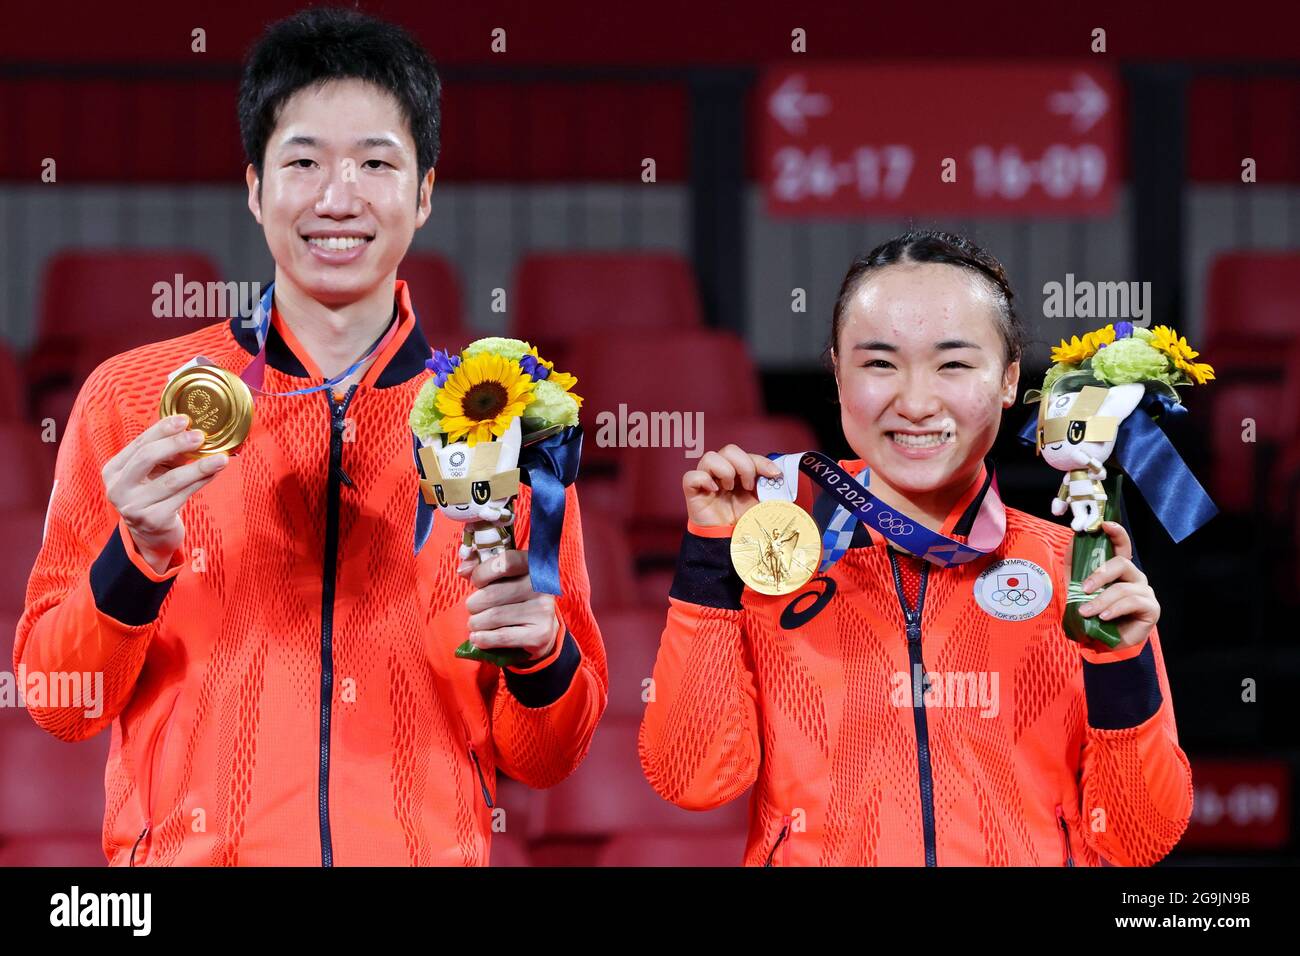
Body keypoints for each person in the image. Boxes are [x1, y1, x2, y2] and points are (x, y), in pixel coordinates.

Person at [15, 7, 606, 866]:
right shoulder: (134, 400)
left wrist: (542, 654)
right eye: (303, 162)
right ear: (256, 189)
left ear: (424, 193)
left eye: (375, 162)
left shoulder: (507, 421)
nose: (337, 198)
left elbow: (547, 759)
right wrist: (134, 559)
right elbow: (57, 702)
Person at [638, 230, 1192, 866]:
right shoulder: (775, 562)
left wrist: (1120, 666)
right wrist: (710, 564)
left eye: (953, 364)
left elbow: (1140, 837)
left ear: (1009, 379)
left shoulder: (1077, 573)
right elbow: (690, 779)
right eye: (880, 364)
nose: (918, 403)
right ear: (838, 374)